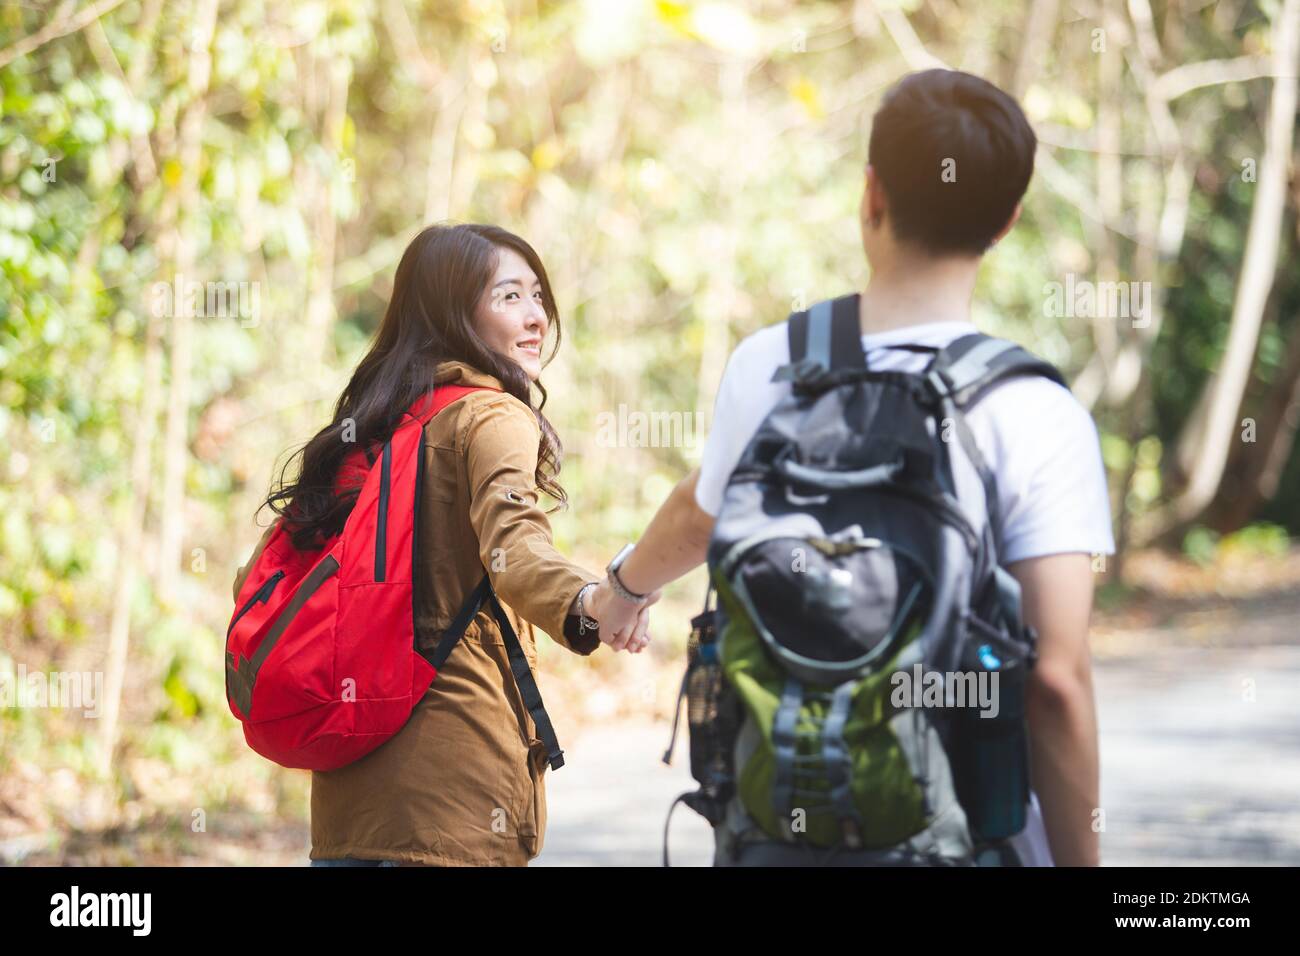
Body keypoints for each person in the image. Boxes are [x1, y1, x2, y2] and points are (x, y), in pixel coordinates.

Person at [596, 69, 1112, 866]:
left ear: (870, 193)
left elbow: (701, 518)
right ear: (1008, 221)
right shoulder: (1036, 410)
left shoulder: (769, 362)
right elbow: (1053, 681)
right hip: (961, 841)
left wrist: (622, 589)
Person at [231, 223, 658, 866]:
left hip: (350, 805)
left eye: (538, 295)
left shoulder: (377, 428)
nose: (537, 316)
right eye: (509, 297)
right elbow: (514, 546)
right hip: (454, 802)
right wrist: (594, 599)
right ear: (454, 314)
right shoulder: (489, 415)